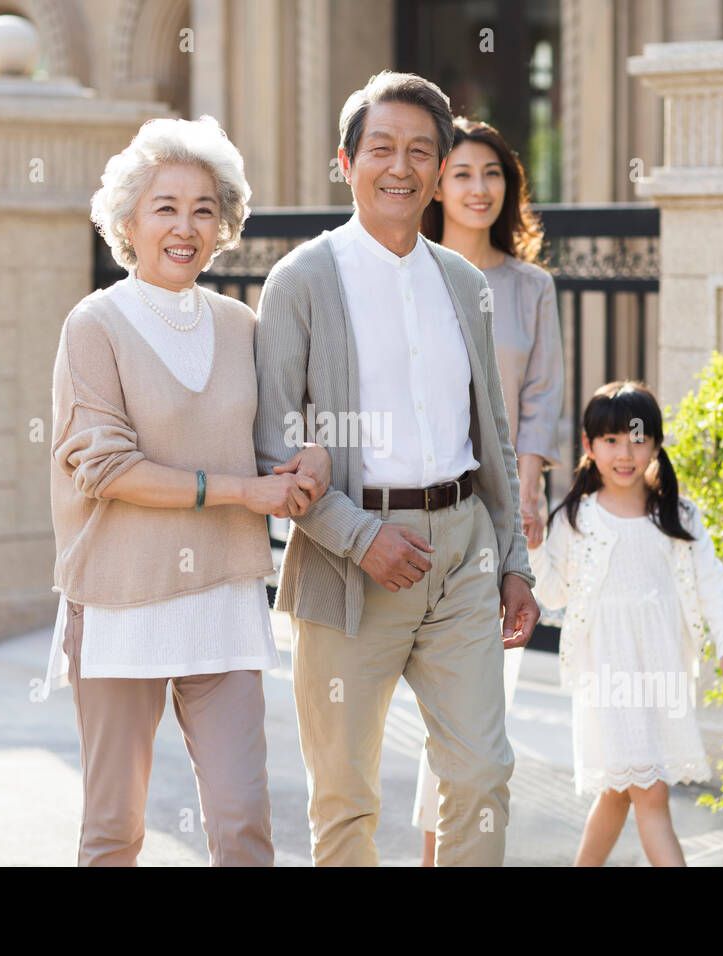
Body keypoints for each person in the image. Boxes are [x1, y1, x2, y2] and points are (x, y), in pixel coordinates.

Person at [254, 71, 541, 867]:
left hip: (461, 549)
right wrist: (359, 537)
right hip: (350, 566)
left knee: (483, 773)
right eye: (381, 148)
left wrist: (511, 560)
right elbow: (269, 448)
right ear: (345, 162)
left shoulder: (464, 283)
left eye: (423, 151)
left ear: (442, 168)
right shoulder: (301, 282)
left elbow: (492, 436)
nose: (401, 167)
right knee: (346, 796)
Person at [40, 115, 330, 867]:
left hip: (224, 600)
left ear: (224, 224)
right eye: (165, 207)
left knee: (242, 824)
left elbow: (273, 445)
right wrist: (241, 492)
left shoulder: (241, 324)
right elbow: (103, 467)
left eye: (205, 209)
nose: (186, 226)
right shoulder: (94, 324)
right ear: (129, 222)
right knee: (114, 831)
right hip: (120, 601)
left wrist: (305, 465)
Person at [410, 115, 563, 864]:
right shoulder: (413, 271)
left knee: (475, 708)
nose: (479, 188)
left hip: (494, 518)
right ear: (437, 184)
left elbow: (541, 400)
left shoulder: (532, 286)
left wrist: (527, 496)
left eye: (492, 174)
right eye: (463, 173)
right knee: (442, 708)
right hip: (416, 509)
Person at [531, 380, 723, 866]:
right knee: (650, 794)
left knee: (619, 793)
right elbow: (552, 594)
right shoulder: (577, 519)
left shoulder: (678, 517)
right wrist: (534, 546)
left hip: (661, 673)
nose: (624, 453)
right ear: (589, 446)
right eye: (610, 441)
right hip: (607, 676)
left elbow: (714, 584)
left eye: (636, 438)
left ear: (656, 443)